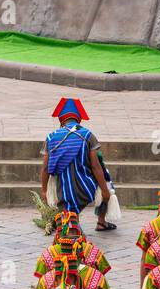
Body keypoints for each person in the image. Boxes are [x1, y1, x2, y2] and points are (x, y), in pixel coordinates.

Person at [41, 97, 115, 233]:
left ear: (61, 120)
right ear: (79, 120)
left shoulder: (51, 137)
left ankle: (66, 220)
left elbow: (46, 168)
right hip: (85, 189)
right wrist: (105, 189)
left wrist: (44, 190)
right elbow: (96, 166)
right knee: (107, 176)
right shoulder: (87, 135)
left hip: (61, 190)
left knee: (67, 208)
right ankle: (101, 221)